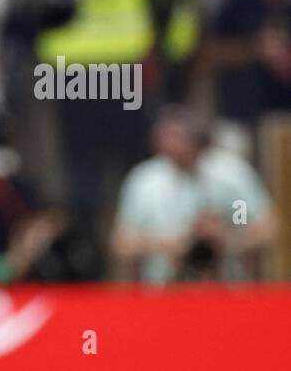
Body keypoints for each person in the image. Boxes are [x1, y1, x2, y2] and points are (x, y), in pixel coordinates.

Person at [110, 106, 278, 284]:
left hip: (225, 286)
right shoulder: (145, 181)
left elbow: (264, 227)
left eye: (178, 137)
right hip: (164, 288)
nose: (172, 145)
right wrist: (166, 243)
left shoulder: (231, 176)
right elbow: (122, 243)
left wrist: (228, 237)